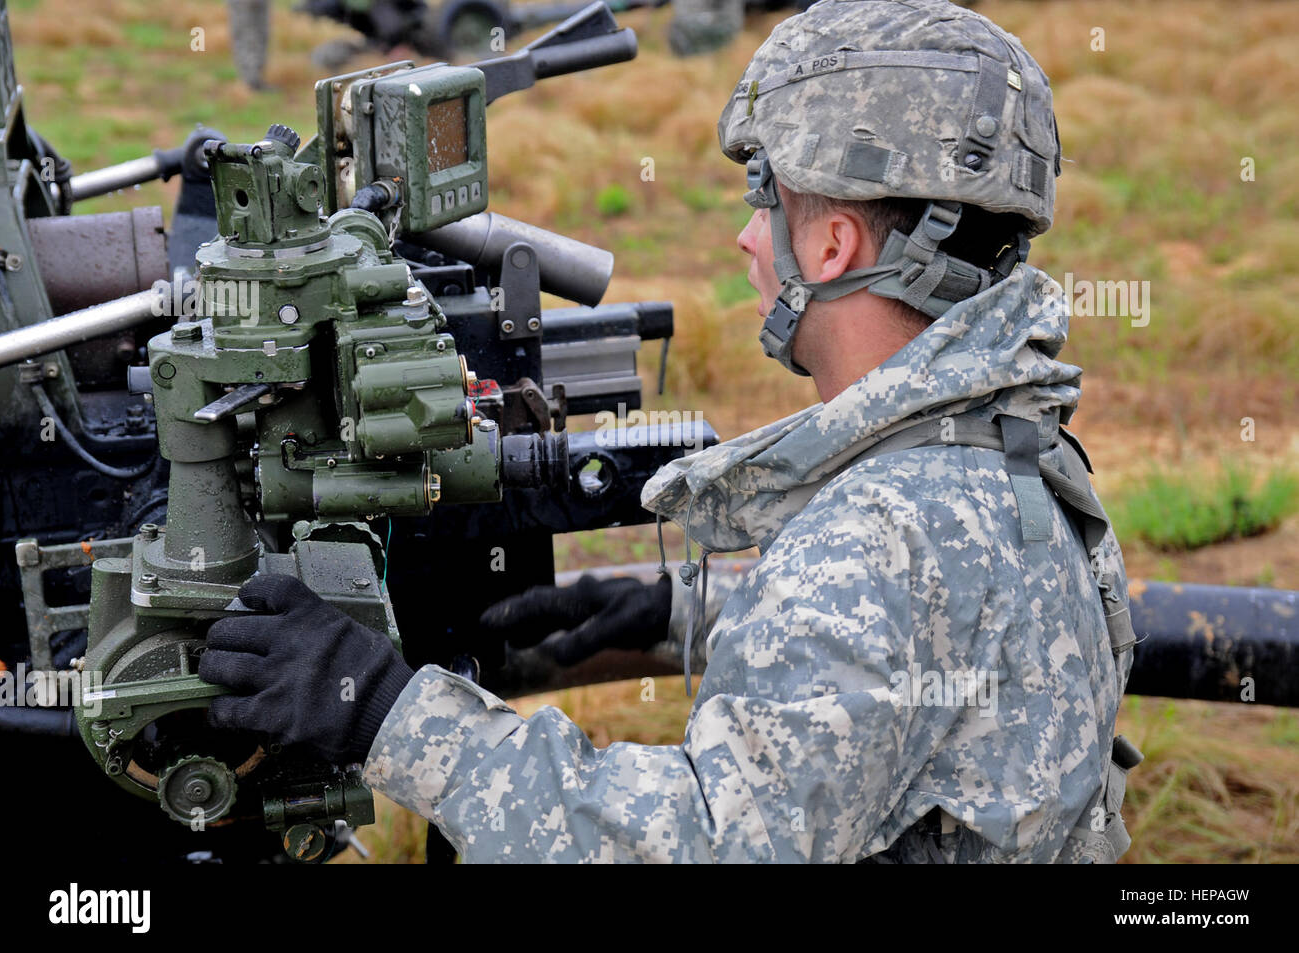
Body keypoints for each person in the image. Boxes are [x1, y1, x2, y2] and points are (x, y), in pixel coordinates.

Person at [199, 0, 1141, 863]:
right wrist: (683, 614)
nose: (746, 235)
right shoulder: (1014, 441)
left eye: (763, 196)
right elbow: (930, 658)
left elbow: (694, 845)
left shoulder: (877, 538)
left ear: (832, 245)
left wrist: (384, 713)